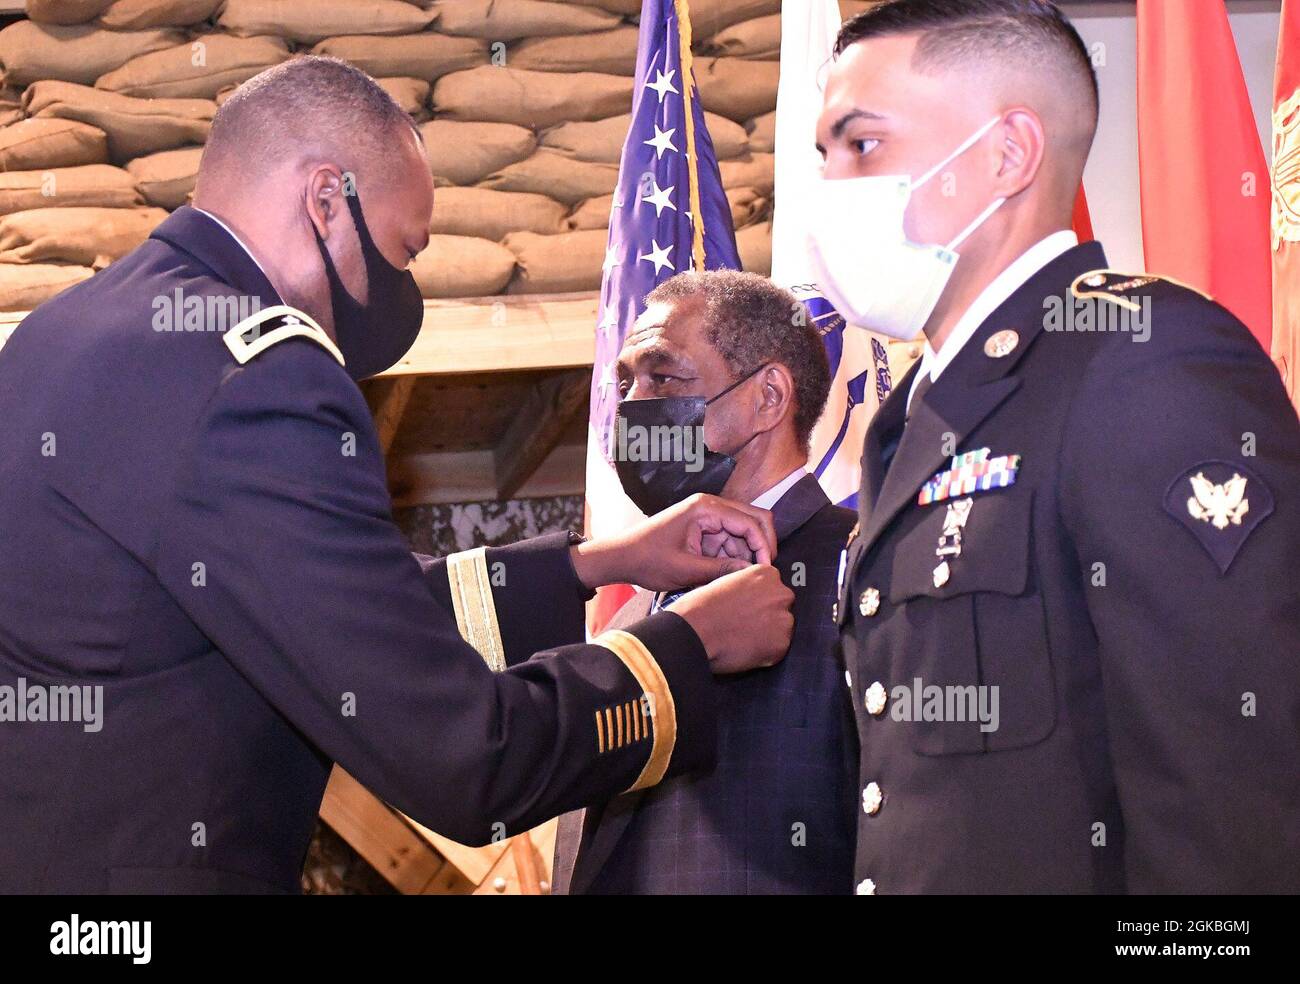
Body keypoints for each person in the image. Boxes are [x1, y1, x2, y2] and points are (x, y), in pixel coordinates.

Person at [0, 56, 796, 894]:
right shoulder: (262, 377)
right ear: (324, 200)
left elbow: (331, 608)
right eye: (402, 248)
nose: (404, 283)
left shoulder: (60, 335)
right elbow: (460, 757)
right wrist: (686, 648)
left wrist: (596, 563)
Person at [809, 0, 1300, 893]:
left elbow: (1232, 799)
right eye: (826, 157)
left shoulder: (1144, 361)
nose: (832, 189)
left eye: (863, 147)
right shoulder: (918, 412)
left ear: (1006, 155)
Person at [553, 271, 858, 894]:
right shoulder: (629, 613)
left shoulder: (861, 568)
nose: (633, 406)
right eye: (625, 382)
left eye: (663, 378)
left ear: (768, 397)